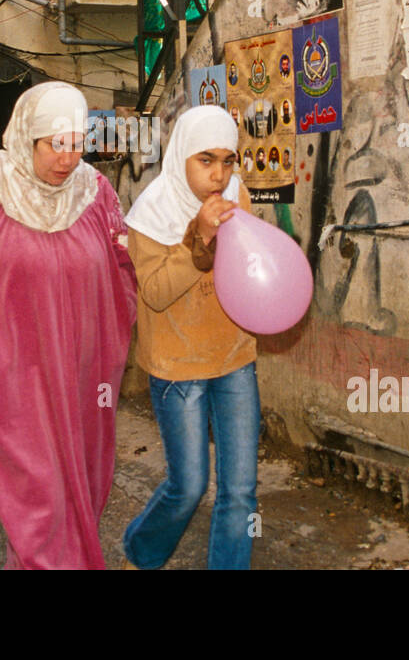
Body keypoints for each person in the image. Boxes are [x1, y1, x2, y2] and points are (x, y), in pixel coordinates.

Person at [0, 81, 137, 569]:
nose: (67, 158)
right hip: (12, 376)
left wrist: (114, 330)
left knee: (83, 486)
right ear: (26, 139)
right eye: (54, 146)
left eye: (76, 144)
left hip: (84, 374)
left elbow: (125, 265)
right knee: (38, 499)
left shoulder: (95, 192)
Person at [121, 105, 260, 570]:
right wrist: (197, 238)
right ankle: (141, 552)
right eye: (205, 160)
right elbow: (156, 294)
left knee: (240, 492)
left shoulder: (237, 195)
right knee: (188, 486)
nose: (218, 175)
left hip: (235, 356)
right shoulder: (150, 213)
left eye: (227, 160)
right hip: (178, 367)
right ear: (181, 155)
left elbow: (252, 267)